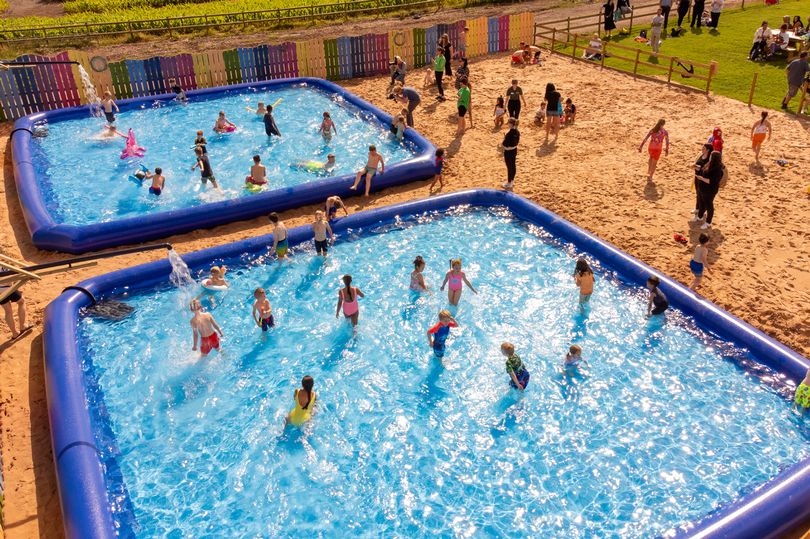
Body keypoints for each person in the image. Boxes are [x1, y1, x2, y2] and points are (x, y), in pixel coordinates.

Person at [695, 150, 724, 230]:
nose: (709, 156)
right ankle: (700, 217)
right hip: (702, 188)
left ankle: (708, 222)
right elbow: (703, 170)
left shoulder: (718, 169)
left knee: (709, 206)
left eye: (711, 155)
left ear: (714, 157)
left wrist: (701, 178)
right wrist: (697, 168)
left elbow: (712, 181)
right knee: (701, 203)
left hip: (710, 190)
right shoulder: (709, 163)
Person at [691, 143, 713, 220]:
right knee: (698, 194)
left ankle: (702, 211)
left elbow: (705, 169)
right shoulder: (701, 156)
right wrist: (694, 166)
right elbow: (698, 165)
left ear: (708, 150)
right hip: (697, 178)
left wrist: (697, 168)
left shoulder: (709, 160)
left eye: (703, 149)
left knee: (702, 196)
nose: (702, 150)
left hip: (704, 180)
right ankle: (697, 209)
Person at [501, 118, 520, 189]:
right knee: (513, 166)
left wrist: (504, 139)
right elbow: (516, 142)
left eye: (508, 122)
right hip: (514, 150)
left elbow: (504, 144)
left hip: (508, 152)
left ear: (511, 124)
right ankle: (512, 180)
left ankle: (509, 183)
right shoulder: (517, 132)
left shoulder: (509, 134)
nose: (508, 124)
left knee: (509, 167)